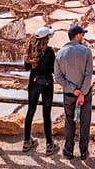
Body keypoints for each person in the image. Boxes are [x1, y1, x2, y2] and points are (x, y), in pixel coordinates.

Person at [54, 24, 93, 160]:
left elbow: (58, 77)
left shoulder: (60, 53)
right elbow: (88, 74)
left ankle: (68, 150)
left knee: (69, 122)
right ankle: (83, 151)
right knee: (85, 122)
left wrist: (73, 90)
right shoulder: (86, 51)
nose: (83, 37)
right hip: (85, 93)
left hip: (69, 94)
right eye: (82, 34)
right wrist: (82, 93)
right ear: (77, 36)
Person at [22, 25, 57, 155]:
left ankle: (26, 141)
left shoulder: (30, 51)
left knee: (30, 111)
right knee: (46, 114)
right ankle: (49, 144)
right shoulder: (49, 52)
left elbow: (26, 67)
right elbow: (53, 69)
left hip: (34, 83)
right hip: (47, 84)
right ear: (46, 38)